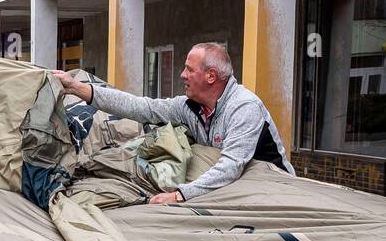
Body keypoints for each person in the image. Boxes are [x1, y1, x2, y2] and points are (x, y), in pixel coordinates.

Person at [53, 42, 292, 204]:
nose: (182, 75)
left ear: (210, 76)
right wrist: (78, 88)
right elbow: (142, 108)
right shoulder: (188, 106)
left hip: (273, 189)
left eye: (189, 70)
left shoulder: (243, 107)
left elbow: (231, 166)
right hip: (231, 190)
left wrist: (179, 196)